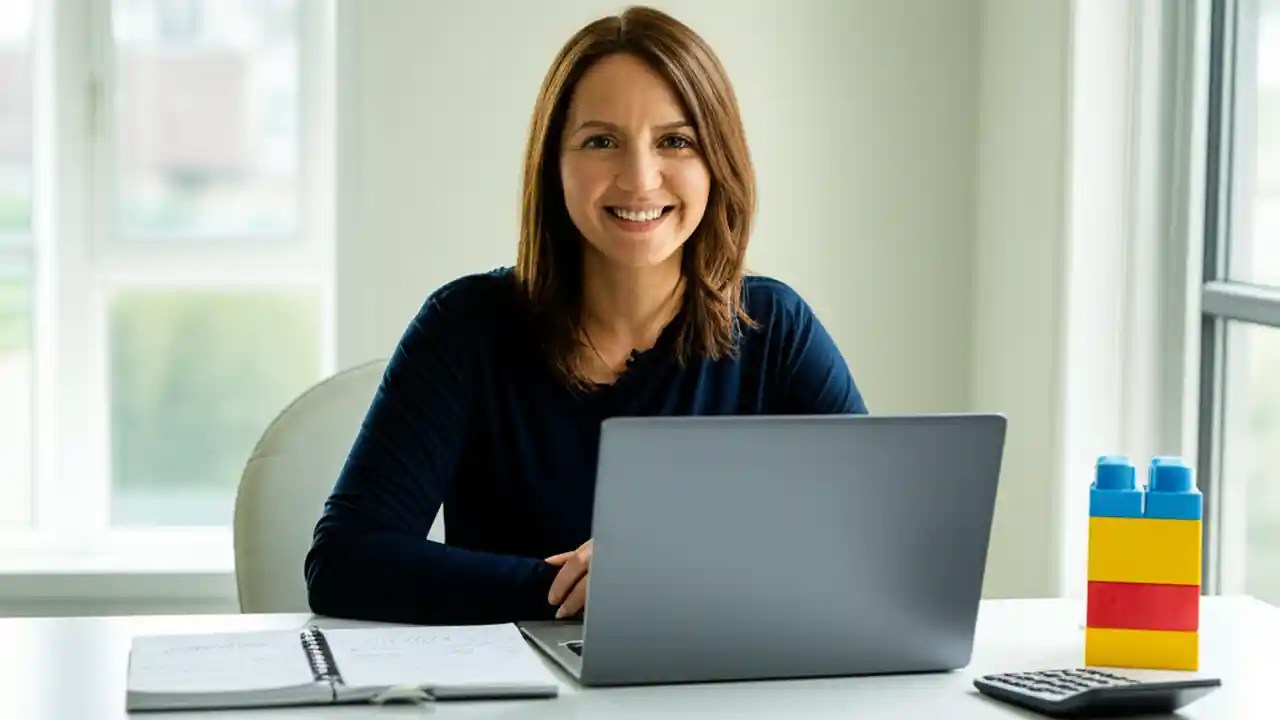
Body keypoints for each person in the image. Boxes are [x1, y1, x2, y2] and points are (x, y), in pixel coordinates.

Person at [304, 5, 868, 626]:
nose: (640, 178)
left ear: (718, 163)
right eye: (601, 142)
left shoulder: (775, 327)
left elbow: (871, 548)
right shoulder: (464, 325)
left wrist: (671, 574)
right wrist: (578, 591)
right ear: (555, 166)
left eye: (675, 142)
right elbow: (345, 562)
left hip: (714, 686)